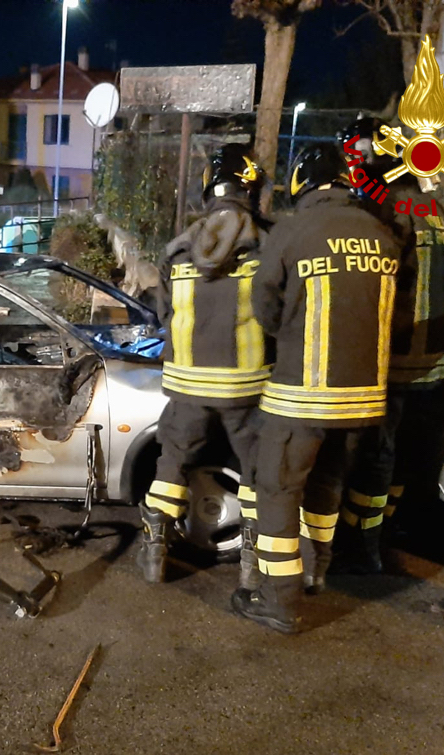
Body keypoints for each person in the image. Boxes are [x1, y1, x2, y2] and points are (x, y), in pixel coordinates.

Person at [232, 143, 401, 633]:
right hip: (365, 401)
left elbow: (264, 304)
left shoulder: (293, 230)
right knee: (328, 482)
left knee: (278, 491)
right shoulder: (381, 231)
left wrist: (290, 330)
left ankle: (279, 601)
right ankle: (316, 571)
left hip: (302, 397)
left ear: (303, 182)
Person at [137, 144, 272, 585]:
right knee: (255, 471)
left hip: (187, 386)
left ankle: (155, 553)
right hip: (247, 389)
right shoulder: (270, 245)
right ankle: (252, 564)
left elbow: (163, 315)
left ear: (207, 189)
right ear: (252, 188)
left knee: (172, 463)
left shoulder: (178, 249)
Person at [334, 119, 444, 573]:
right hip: (438, 360)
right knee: (403, 458)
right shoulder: (438, 208)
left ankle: (362, 548)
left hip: (400, 357)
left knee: (375, 458)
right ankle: (382, 533)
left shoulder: (389, 210)